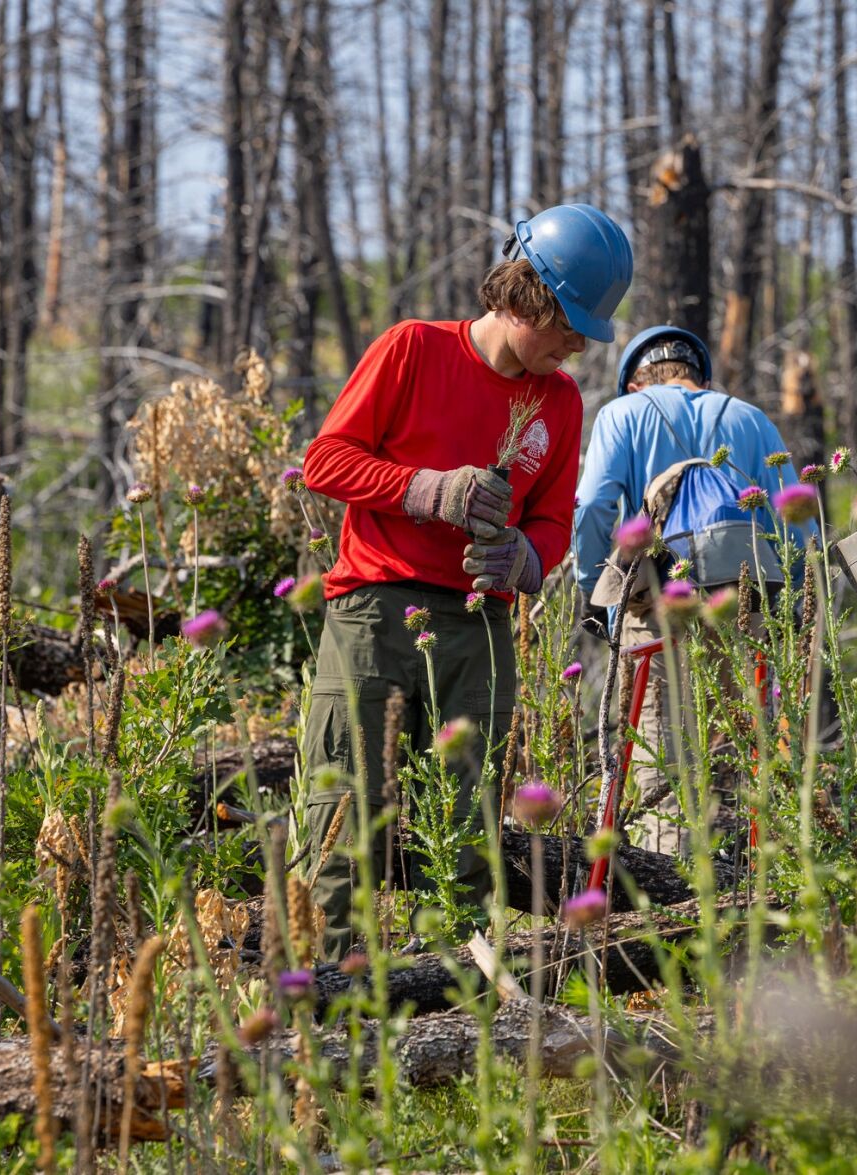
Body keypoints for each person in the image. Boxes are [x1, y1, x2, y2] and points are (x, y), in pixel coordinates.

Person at [300, 204, 633, 958]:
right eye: (566, 324)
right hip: (374, 611)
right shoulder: (412, 349)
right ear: (521, 296)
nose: (576, 345)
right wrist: (425, 490)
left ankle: (447, 989)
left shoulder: (560, 401)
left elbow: (553, 521)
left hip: (479, 625)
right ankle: (329, 987)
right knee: (346, 804)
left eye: (586, 331)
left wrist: (525, 556)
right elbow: (326, 460)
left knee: (462, 819)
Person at [572, 326, 807, 853]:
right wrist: (792, 606)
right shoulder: (750, 418)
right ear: (699, 375)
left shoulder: (623, 415)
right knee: (741, 757)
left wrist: (598, 591)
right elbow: (797, 525)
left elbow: (592, 507)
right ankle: (748, 890)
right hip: (743, 606)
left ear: (634, 382)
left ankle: (673, 902)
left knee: (664, 763)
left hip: (657, 608)